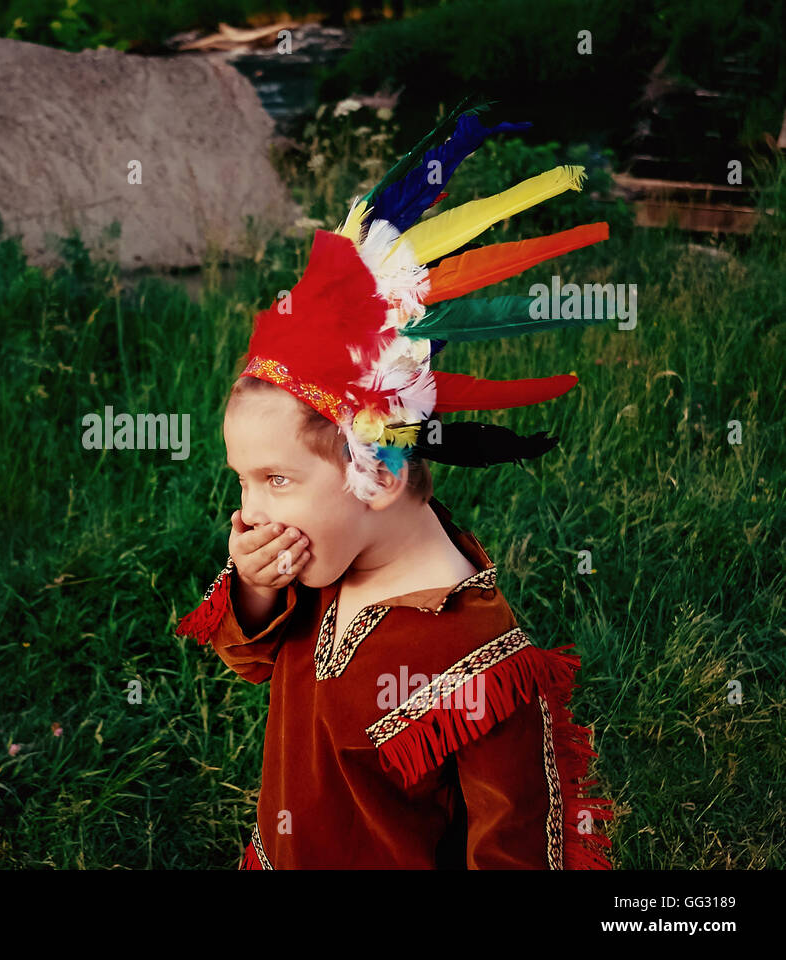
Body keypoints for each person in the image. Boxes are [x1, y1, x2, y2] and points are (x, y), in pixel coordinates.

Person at [175, 99, 615, 869]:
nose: (249, 513)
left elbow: (517, 854)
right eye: (243, 481)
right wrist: (251, 589)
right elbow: (251, 656)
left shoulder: (481, 662)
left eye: (275, 480)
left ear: (375, 471)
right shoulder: (326, 565)